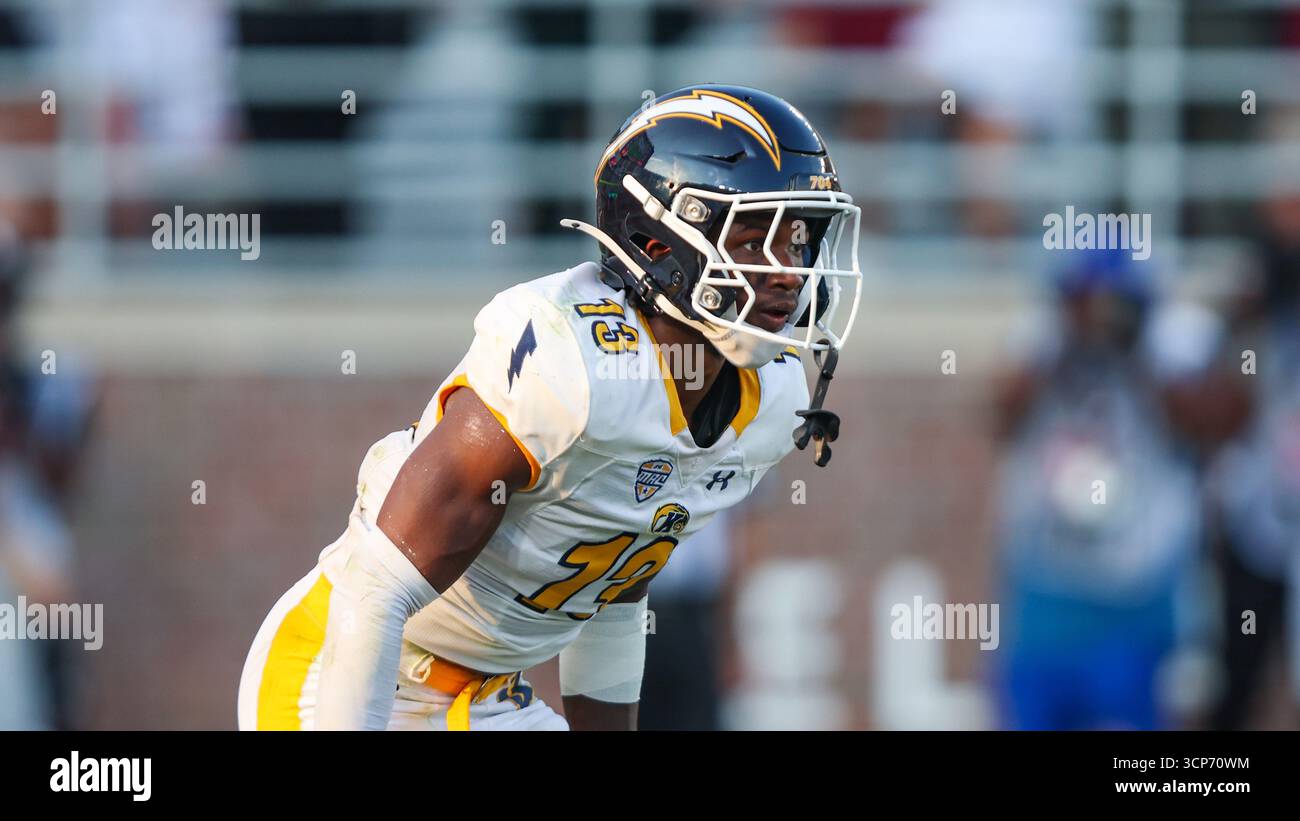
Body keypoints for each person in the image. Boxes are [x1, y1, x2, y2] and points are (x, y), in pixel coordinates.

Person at [238, 85, 863, 731]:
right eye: (755, 238)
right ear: (658, 243)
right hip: (344, 671)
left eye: (798, 242)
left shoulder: (769, 399)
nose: (788, 272)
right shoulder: (571, 362)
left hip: (491, 699)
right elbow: (375, 589)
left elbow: (617, 592)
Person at [992, 248, 1224, 730]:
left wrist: (1134, 346)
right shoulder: (1044, 343)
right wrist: (1065, 342)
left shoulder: (1170, 344)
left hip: (1138, 596)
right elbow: (1001, 417)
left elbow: (1207, 423)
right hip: (1047, 595)